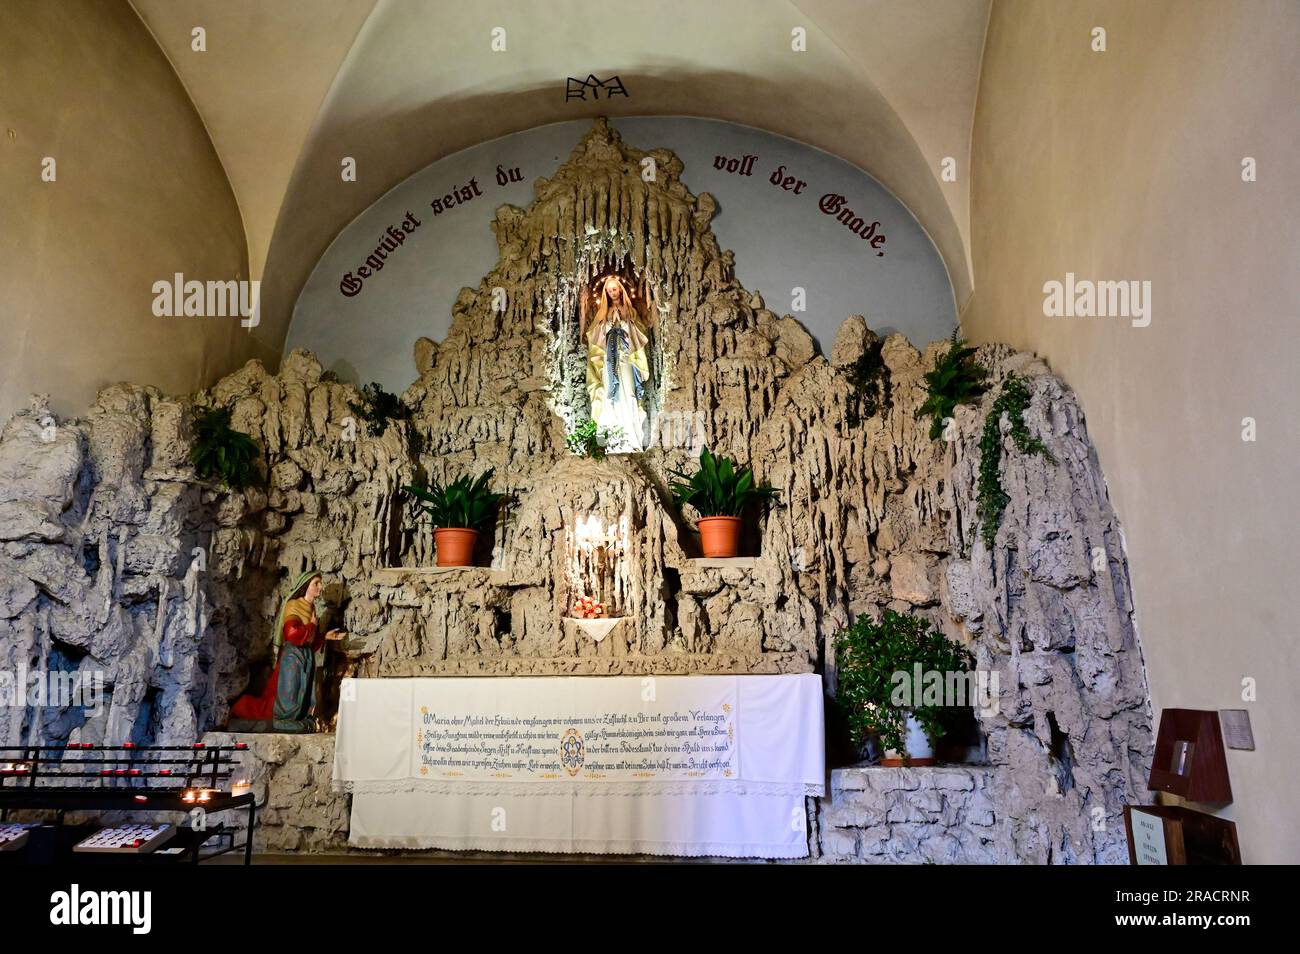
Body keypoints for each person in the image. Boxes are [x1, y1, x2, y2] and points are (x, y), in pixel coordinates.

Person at [230, 570, 345, 732]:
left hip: (305, 655)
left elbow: (308, 641)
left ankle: (296, 720)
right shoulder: (294, 605)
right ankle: (245, 708)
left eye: (320, 583)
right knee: (289, 697)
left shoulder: (312, 609)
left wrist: (325, 636)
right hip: (293, 657)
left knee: (302, 695)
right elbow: (291, 634)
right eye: (316, 584)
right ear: (306, 586)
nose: (320, 587)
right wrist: (311, 626)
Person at [584, 274, 652, 452]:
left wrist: (627, 326)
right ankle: (613, 440)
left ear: (620, 290)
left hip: (625, 359)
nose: (612, 292)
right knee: (610, 394)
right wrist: (607, 328)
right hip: (609, 360)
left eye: (614, 289)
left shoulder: (630, 312)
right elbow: (594, 336)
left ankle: (632, 438)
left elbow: (639, 332)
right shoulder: (603, 313)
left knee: (629, 392)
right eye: (608, 290)